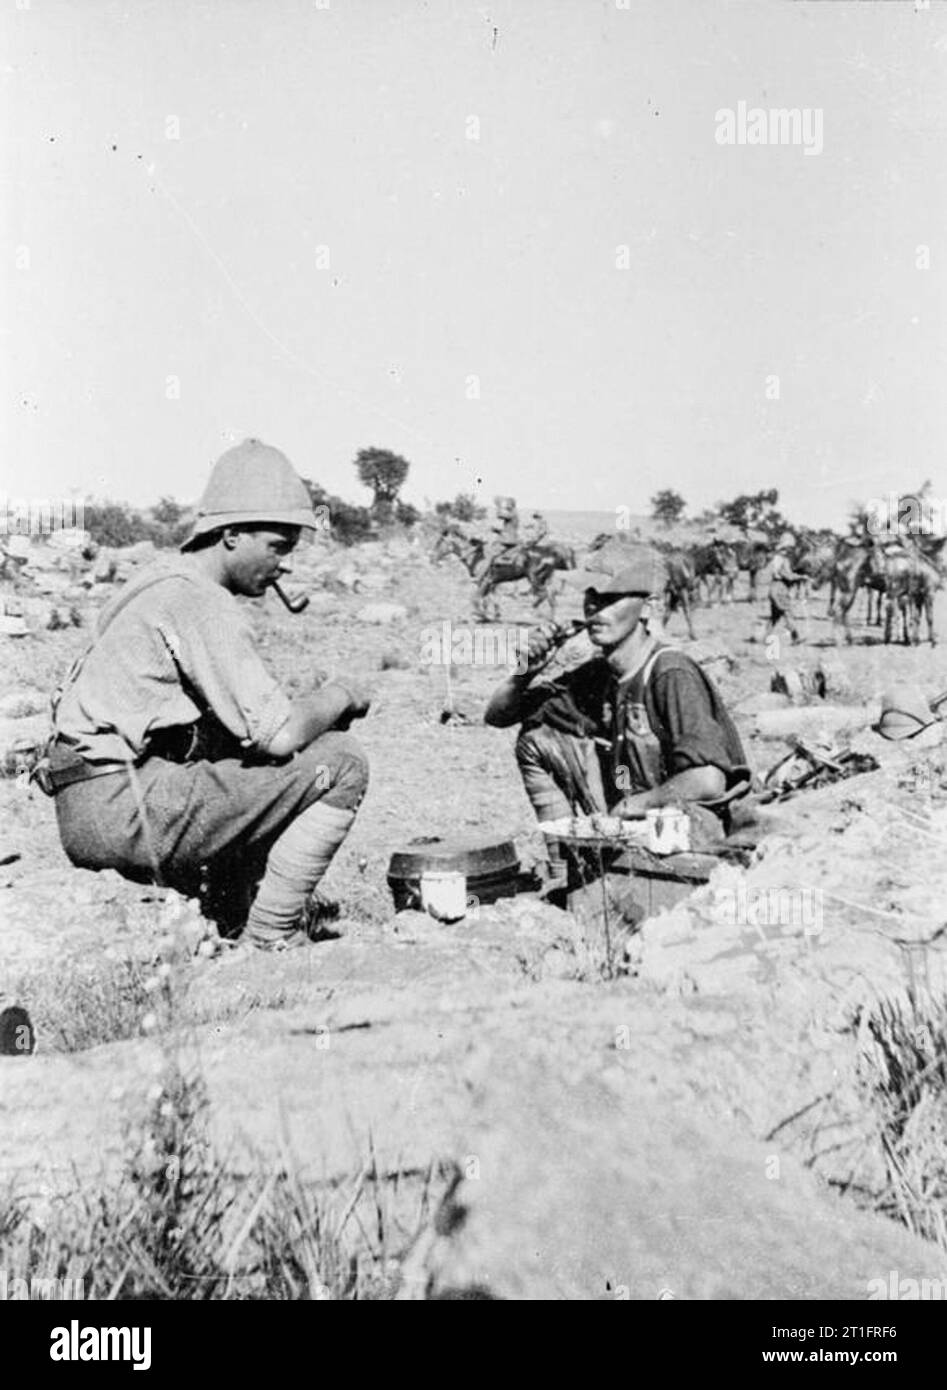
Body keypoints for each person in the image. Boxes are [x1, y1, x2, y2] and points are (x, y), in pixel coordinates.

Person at [39, 438, 371, 952]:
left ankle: (231, 912)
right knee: (341, 762)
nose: (284, 564)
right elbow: (279, 734)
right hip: (122, 809)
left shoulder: (160, 580)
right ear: (232, 535)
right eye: (278, 546)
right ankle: (270, 939)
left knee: (241, 758)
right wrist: (342, 695)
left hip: (92, 806)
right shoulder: (200, 600)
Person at [484, 553, 751, 872]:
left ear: (648, 608)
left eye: (610, 599)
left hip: (698, 833)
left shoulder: (670, 672)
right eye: (591, 597)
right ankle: (565, 867)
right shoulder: (600, 674)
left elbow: (708, 781)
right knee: (536, 739)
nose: (596, 609)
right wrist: (524, 672)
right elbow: (498, 716)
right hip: (638, 818)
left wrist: (633, 805)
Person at [767, 535, 805, 644]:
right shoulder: (782, 559)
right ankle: (795, 637)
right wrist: (801, 577)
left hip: (774, 588)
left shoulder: (777, 558)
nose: (791, 550)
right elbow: (786, 575)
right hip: (780, 589)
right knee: (788, 613)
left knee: (775, 616)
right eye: (790, 547)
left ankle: (764, 636)